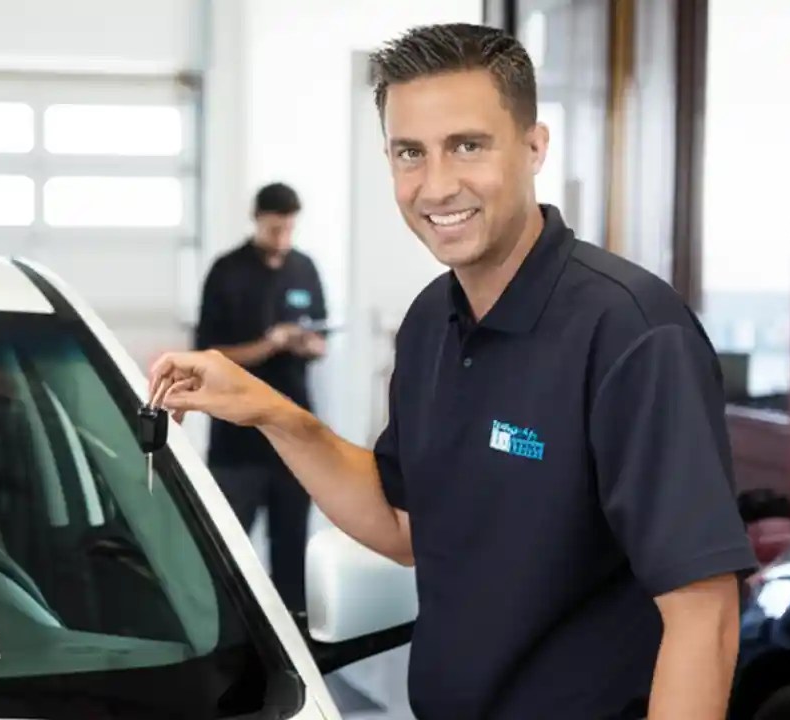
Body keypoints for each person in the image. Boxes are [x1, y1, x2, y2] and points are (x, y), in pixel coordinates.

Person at [149, 23, 755, 720]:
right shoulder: (430, 322)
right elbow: (404, 526)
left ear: (533, 147)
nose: (436, 186)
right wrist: (268, 410)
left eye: (467, 145)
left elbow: (703, 617)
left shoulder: (631, 332)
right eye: (411, 153)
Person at [194, 181, 327, 613]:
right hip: (238, 442)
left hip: (293, 438)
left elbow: (322, 339)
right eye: (274, 231)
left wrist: (307, 344)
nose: (282, 240)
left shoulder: (304, 268)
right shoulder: (226, 272)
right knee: (228, 552)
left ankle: (294, 642)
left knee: (292, 553)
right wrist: (269, 344)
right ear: (257, 220)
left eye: (288, 230)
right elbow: (209, 353)